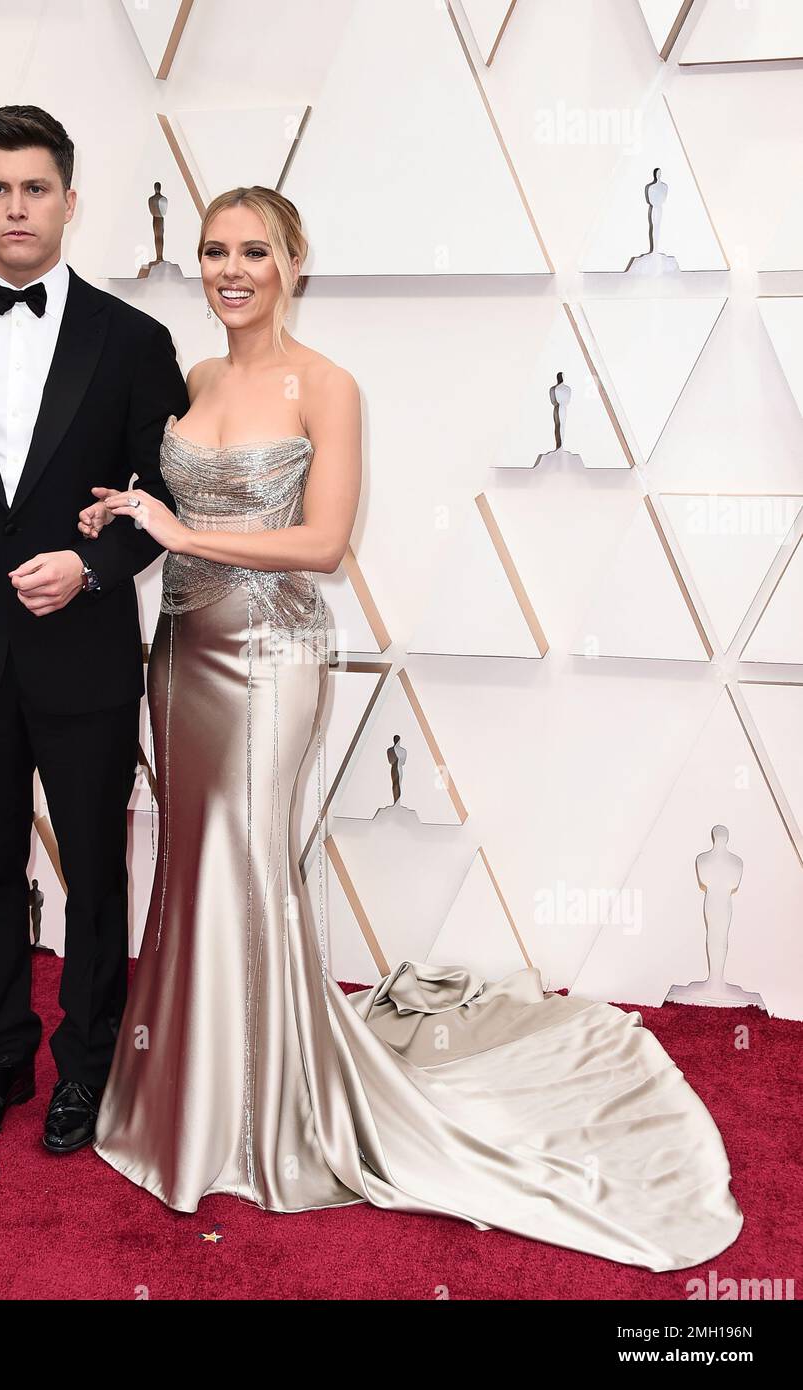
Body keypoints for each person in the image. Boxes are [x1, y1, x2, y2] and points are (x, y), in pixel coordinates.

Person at [81, 186, 744, 1271]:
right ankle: (182, 1102)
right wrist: (126, 509)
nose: (230, 268)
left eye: (254, 250)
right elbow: (170, 508)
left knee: (250, 864)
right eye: (213, 250)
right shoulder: (195, 379)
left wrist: (178, 521)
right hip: (180, 653)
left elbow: (324, 544)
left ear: (296, 261)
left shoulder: (328, 386)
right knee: (193, 865)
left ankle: (262, 1120)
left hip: (270, 659)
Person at [0, 105, 188, 1155]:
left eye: (36, 188)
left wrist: (95, 565)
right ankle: (1, 1057)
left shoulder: (135, 341)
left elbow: (165, 502)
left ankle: (88, 1066)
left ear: (68, 198)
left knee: (95, 871)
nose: (17, 206)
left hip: (84, 660)